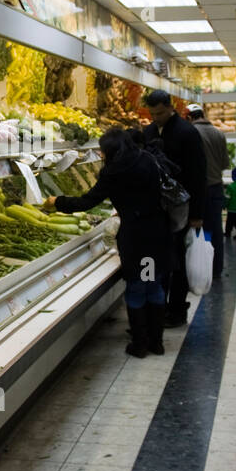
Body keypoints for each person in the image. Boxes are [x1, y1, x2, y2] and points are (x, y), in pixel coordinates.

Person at [46, 128, 170, 357]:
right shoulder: (147, 160)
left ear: (110, 150)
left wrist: (58, 202)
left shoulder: (113, 172)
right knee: (152, 283)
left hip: (135, 236)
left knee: (136, 287)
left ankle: (140, 344)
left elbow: (87, 201)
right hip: (155, 231)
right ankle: (157, 342)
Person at [143, 90, 206, 327]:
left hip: (181, 209)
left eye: (160, 113)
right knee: (159, 262)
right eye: (152, 113)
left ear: (171, 107)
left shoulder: (187, 133)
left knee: (178, 262)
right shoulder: (148, 131)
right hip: (157, 211)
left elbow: (199, 174)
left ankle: (178, 309)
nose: (156, 117)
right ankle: (158, 310)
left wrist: (197, 214)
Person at [189, 105, 228, 279]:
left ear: (190, 118)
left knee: (197, 231)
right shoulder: (219, 133)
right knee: (216, 231)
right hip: (216, 186)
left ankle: (198, 270)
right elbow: (225, 163)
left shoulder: (191, 133)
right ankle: (216, 268)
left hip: (198, 189)